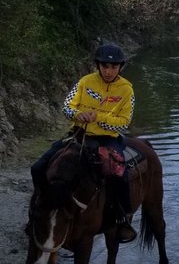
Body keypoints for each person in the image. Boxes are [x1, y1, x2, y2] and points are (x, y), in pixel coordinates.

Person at [30, 42, 137, 243]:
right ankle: (41, 207)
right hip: (79, 134)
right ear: (98, 65)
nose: (108, 70)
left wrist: (98, 117)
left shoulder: (126, 90)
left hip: (107, 139)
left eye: (113, 67)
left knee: (119, 175)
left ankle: (123, 218)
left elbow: (124, 122)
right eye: (104, 66)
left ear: (120, 67)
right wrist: (79, 114)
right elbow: (67, 108)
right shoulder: (85, 82)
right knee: (38, 167)